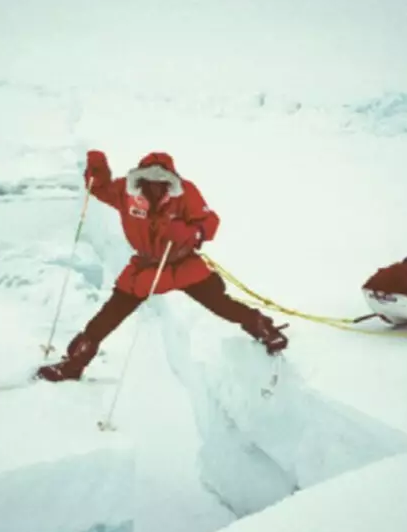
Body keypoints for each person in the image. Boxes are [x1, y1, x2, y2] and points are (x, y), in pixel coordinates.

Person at [35, 150, 289, 382]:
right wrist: (98, 172)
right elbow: (100, 190)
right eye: (149, 180)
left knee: (220, 303)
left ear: (171, 180)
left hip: (183, 265)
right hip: (145, 270)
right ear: (140, 179)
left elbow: (210, 223)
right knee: (109, 316)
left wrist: (190, 233)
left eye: (162, 181)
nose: (155, 186)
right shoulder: (126, 191)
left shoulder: (186, 192)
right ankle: (74, 364)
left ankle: (262, 327)